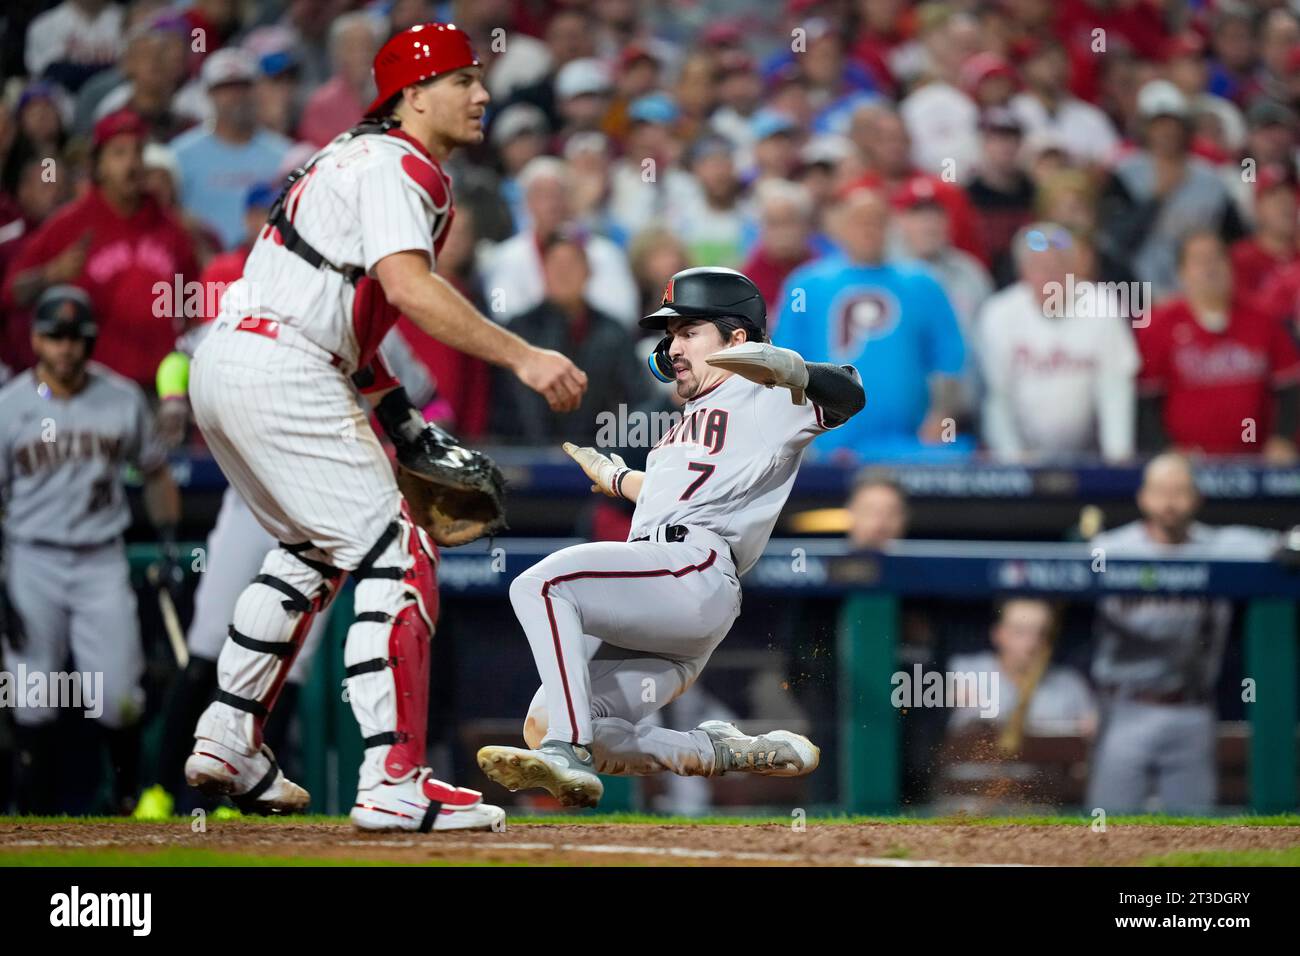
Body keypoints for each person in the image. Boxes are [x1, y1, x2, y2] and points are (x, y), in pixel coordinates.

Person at [181, 22, 587, 833]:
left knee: (314, 552)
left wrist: (399, 417)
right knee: (402, 554)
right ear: (412, 95)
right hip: (287, 367)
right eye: (461, 81)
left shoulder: (352, 158)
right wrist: (523, 356)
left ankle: (228, 736)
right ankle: (392, 779)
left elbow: (358, 317)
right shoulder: (401, 163)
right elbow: (406, 289)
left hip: (236, 362)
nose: (481, 95)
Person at [476, 266, 865, 807]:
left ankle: (568, 749)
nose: (673, 347)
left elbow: (850, 391)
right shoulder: (686, 419)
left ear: (735, 339)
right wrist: (618, 479)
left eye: (688, 331)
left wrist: (791, 369)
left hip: (692, 570)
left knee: (541, 585)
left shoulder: (764, 392)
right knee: (546, 722)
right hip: (663, 596)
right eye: (671, 335)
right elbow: (679, 496)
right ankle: (717, 752)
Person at [0, 286, 180, 814]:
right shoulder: (9, 405)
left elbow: (156, 473)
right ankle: (32, 815)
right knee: (32, 699)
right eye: (54, 335)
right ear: (35, 338)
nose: (66, 348)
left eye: (76, 337)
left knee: (119, 696)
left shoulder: (120, 397)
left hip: (101, 556)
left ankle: (126, 802)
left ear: (91, 341)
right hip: (31, 557)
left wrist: (170, 543)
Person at [1086, 453, 1280, 814]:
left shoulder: (1223, 546)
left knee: (1194, 832)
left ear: (1197, 498)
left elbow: (1284, 545)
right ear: (1143, 497)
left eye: (1180, 491)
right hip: (1125, 705)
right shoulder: (1109, 550)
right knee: (1105, 834)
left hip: (1192, 709)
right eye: (1160, 491)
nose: (1170, 502)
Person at [2, 110, 199, 390]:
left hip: (161, 386)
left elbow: (193, 305)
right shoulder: (70, 224)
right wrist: (51, 274)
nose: (131, 163)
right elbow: (12, 292)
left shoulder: (170, 227)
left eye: (137, 152)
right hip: (92, 389)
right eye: (118, 153)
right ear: (99, 165)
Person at [773, 186, 966, 461]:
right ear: (840, 226)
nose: (868, 229)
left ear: (890, 226)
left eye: (877, 220)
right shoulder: (805, 285)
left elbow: (949, 357)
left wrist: (941, 414)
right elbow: (785, 363)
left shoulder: (923, 284)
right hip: (829, 444)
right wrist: (798, 431)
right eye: (859, 221)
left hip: (910, 446)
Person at [978, 223, 1139, 463]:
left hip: (1090, 454)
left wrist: (1116, 457)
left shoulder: (1101, 305)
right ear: (1023, 271)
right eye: (1041, 268)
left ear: (1074, 270)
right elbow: (997, 395)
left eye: (1059, 267)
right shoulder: (999, 313)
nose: (1051, 276)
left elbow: (1115, 387)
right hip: (1022, 453)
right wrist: (1011, 459)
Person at [1137, 231, 1300, 461]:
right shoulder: (1159, 325)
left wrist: (1282, 439)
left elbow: (1291, 388)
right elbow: (1145, 402)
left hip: (1255, 460)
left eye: (1217, 258)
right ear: (1182, 273)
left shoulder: (1263, 318)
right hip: (1186, 464)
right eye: (1200, 260)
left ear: (1230, 266)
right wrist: (1164, 450)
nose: (1210, 267)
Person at [492, 227, 647, 446]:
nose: (563, 273)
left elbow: (637, 399)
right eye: (555, 265)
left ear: (588, 271)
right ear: (543, 272)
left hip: (598, 458)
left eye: (571, 265)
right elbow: (502, 404)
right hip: (525, 456)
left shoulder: (614, 333)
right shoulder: (518, 331)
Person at [171, 48, 294, 250]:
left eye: (243, 86)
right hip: (204, 271)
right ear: (208, 93)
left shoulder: (285, 155)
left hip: (269, 267)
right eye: (225, 88)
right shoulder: (179, 154)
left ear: (256, 90)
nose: (236, 96)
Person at [947, 598, 1096, 737]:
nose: (1032, 643)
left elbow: (1091, 738)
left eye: (1042, 633)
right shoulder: (961, 672)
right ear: (998, 634)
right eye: (1021, 632)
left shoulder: (1070, 684)